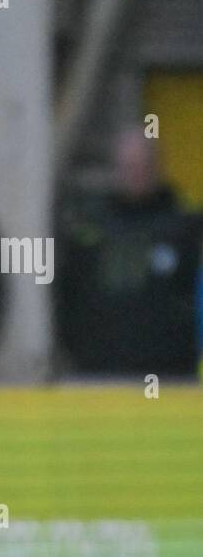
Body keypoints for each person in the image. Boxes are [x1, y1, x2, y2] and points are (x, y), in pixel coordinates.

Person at [57, 128, 201, 375]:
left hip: (169, 372)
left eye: (141, 166)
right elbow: (66, 294)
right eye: (128, 167)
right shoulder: (89, 229)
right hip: (98, 369)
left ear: (157, 167)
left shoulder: (185, 227)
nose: (135, 175)